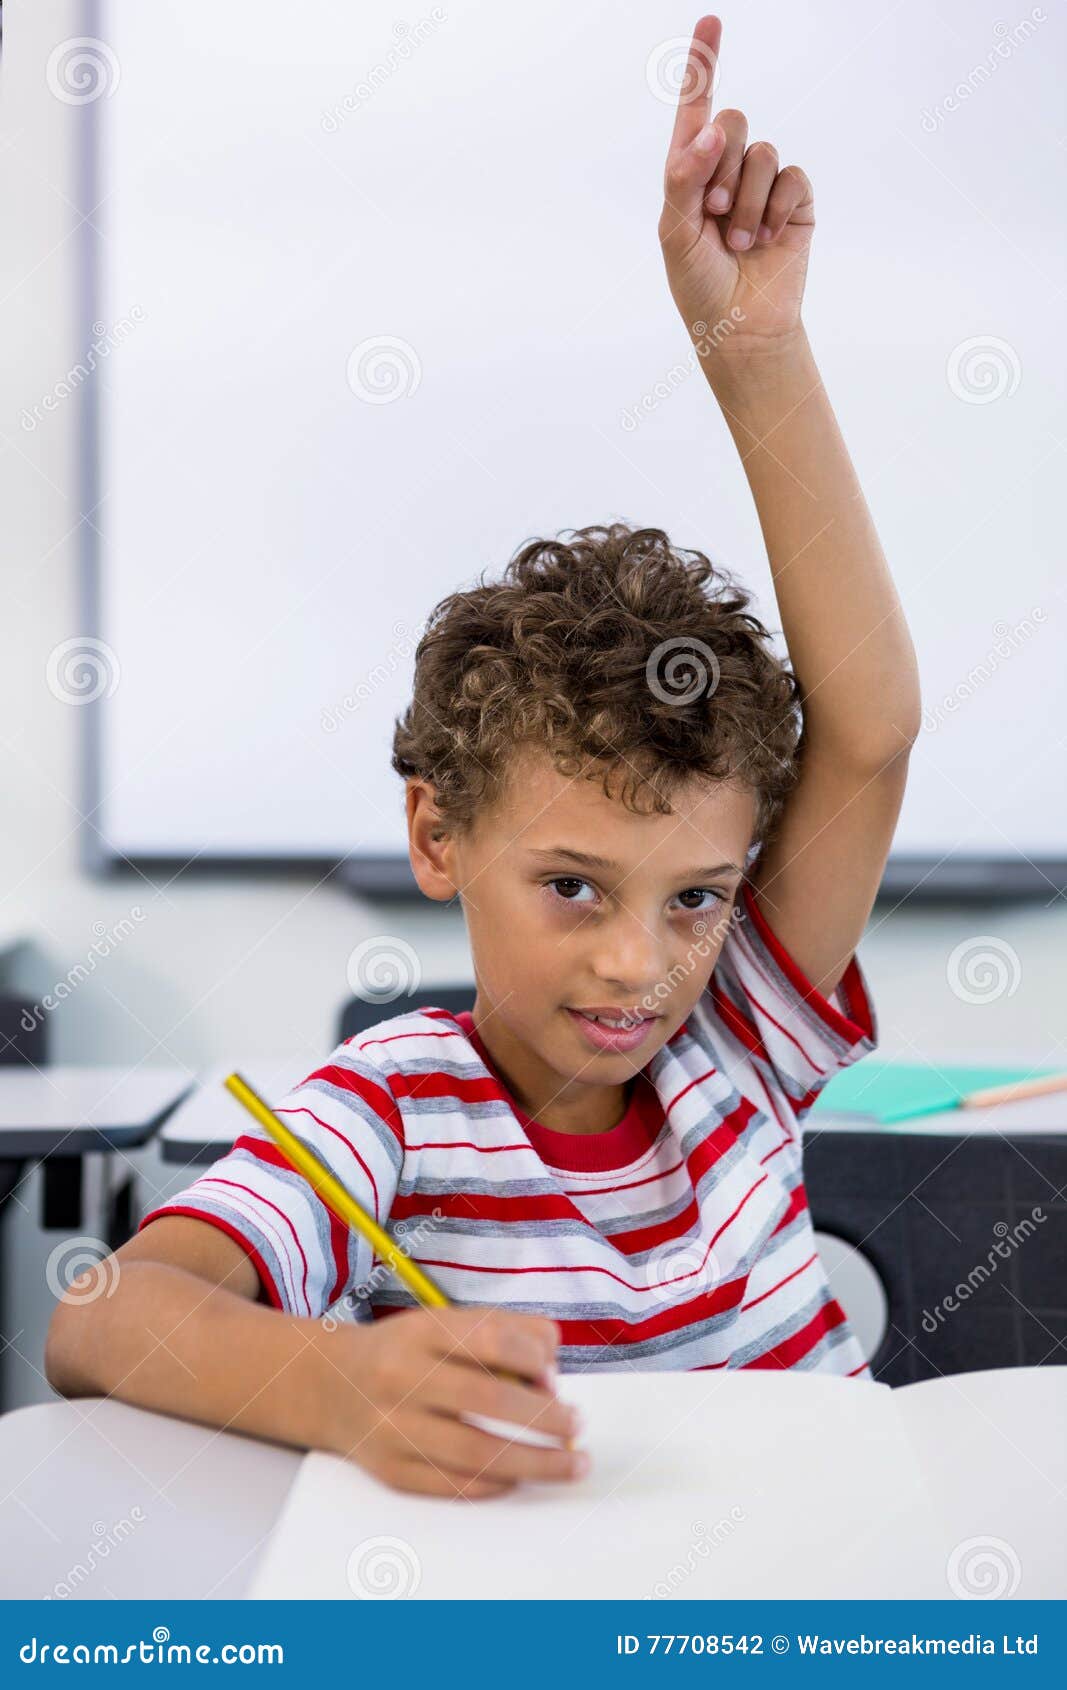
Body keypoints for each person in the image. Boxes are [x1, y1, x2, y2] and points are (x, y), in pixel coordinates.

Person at [46, 15, 919, 1501]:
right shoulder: (390, 1109)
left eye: (698, 894)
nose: (643, 963)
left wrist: (753, 345)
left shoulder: (740, 1043)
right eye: (574, 884)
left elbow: (873, 730)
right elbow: (100, 1316)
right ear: (439, 835)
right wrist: (340, 1380)